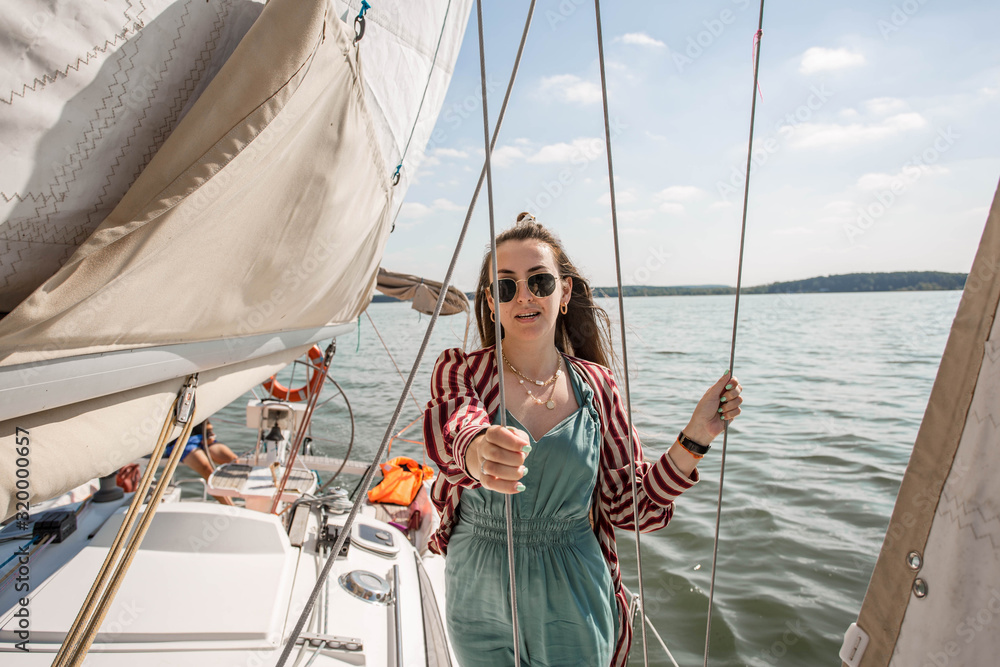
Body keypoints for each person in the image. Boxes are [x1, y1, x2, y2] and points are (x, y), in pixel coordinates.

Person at [423, 213, 743, 666]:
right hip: (477, 585)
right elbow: (456, 425)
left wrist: (695, 438)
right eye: (506, 286)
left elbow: (628, 505)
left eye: (540, 281)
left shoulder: (596, 386)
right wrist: (478, 452)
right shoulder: (461, 371)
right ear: (492, 303)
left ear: (565, 291)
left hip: (573, 585)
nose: (525, 297)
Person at [163, 420, 238, 504]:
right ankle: (229, 505)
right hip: (181, 441)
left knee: (233, 461)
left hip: (203, 436)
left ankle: (228, 497)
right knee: (208, 470)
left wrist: (209, 434)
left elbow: (206, 420)